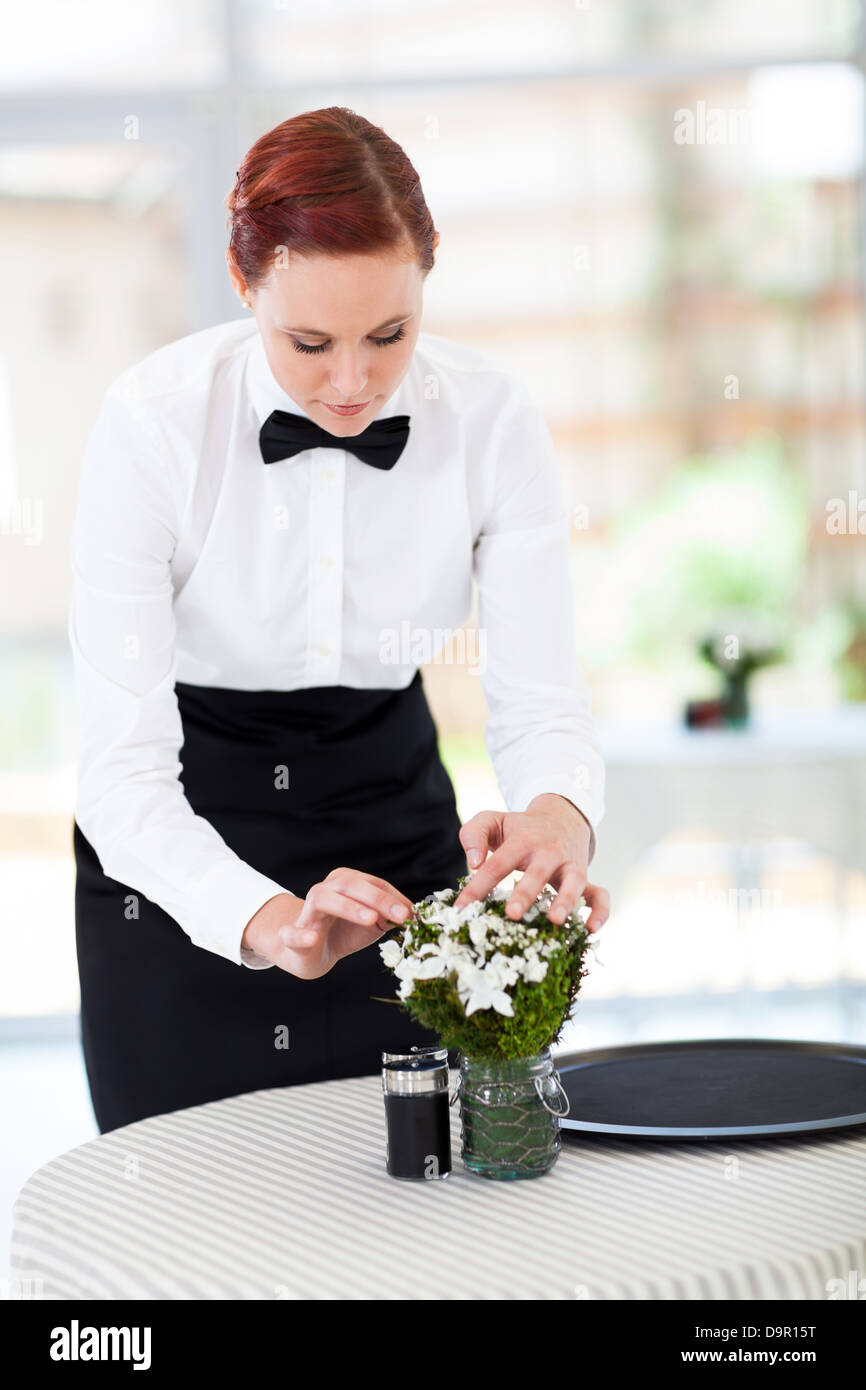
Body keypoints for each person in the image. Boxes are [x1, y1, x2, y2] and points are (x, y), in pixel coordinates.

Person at [69, 105, 609, 1135]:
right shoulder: (150, 423)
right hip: (176, 851)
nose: (354, 382)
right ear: (244, 288)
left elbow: (542, 700)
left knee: (425, 1183)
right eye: (309, 342)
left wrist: (556, 817)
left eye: (389, 335)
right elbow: (118, 775)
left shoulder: (491, 420)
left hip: (392, 821)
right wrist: (267, 919)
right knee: (183, 1209)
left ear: (427, 277)